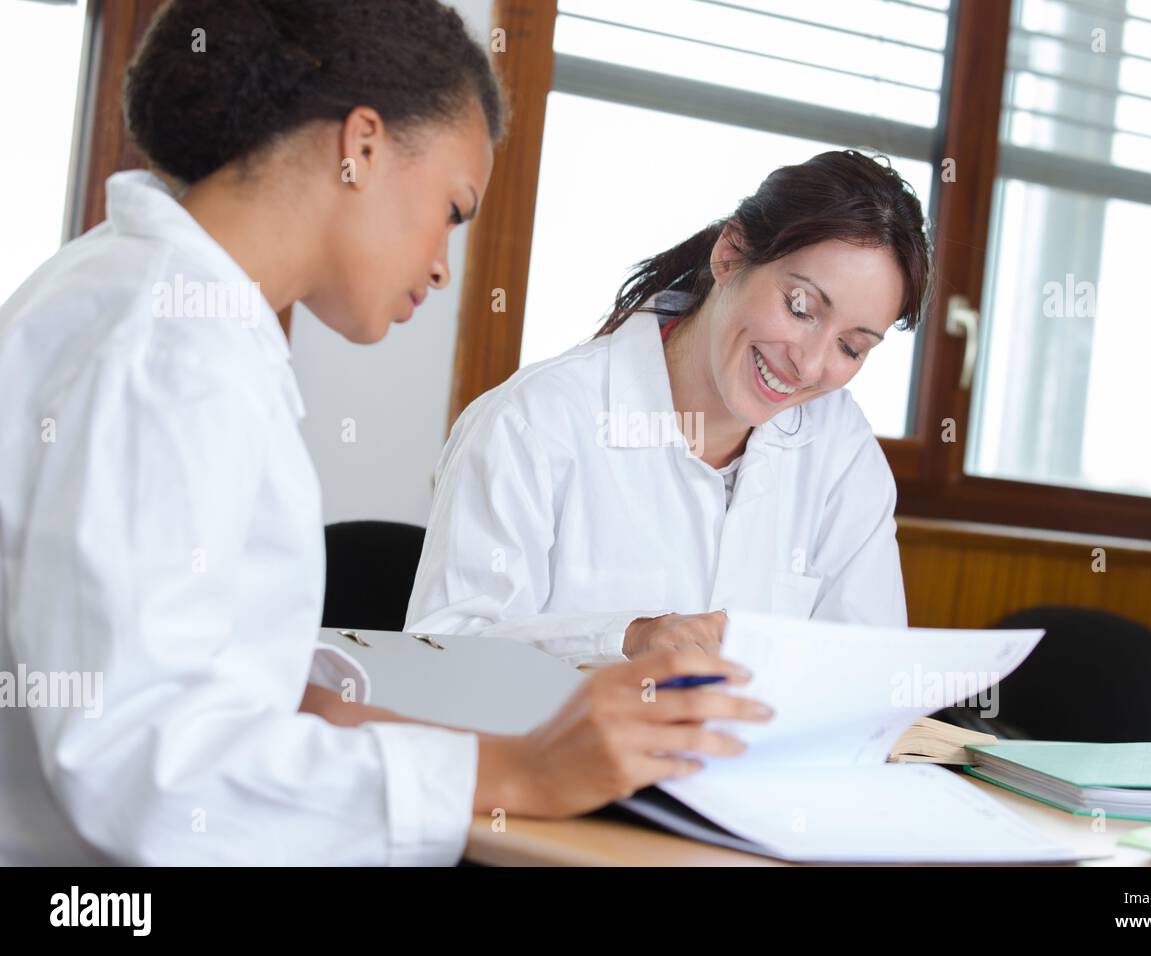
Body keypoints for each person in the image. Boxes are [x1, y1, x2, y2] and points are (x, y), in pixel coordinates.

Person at [0, 0, 769, 866]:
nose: (444, 264)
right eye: (451, 208)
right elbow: (146, 768)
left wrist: (489, 750)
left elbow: (214, 682)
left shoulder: (160, 304)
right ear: (361, 145)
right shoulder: (170, 351)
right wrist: (517, 774)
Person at [406, 151, 931, 665]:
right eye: (800, 308)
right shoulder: (535, 420)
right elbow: (443, 654)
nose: (810, 366)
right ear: (730, 254)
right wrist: (625, 639)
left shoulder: (840, 445)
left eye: (851, 347)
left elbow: (870, 668)